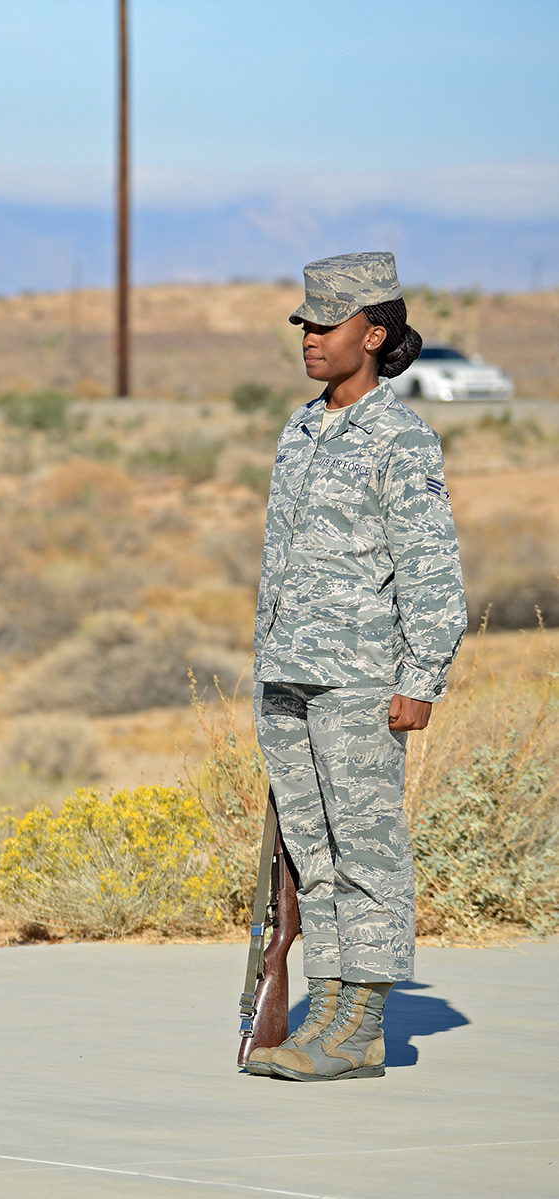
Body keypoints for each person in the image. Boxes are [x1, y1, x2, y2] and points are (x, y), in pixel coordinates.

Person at [244, 252, 466, 1082]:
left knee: (366, 848)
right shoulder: (300, 429)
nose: (308, 337)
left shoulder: (402, 440)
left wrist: (422, 677)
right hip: (288, 673)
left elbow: (431, 568)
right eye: (303, 323)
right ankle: (327, 1014)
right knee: (312, 852)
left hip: (361, 679)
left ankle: (361, 1023)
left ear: (373, 334)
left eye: (324, 323)